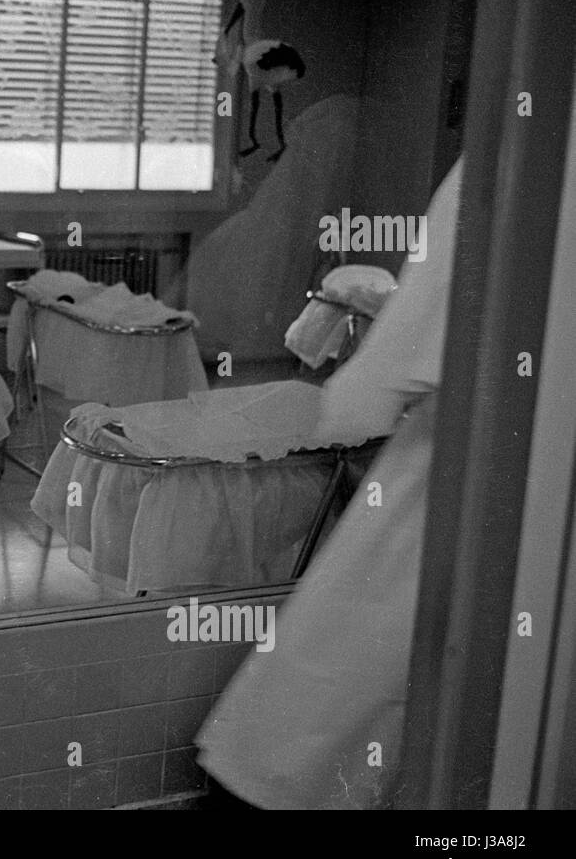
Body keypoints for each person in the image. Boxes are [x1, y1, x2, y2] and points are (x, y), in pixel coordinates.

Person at [196, 157, 465, 809]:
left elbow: (367, 398)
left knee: (316, 703)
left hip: (439, 495)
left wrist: (345, 397)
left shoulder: (504, 161)